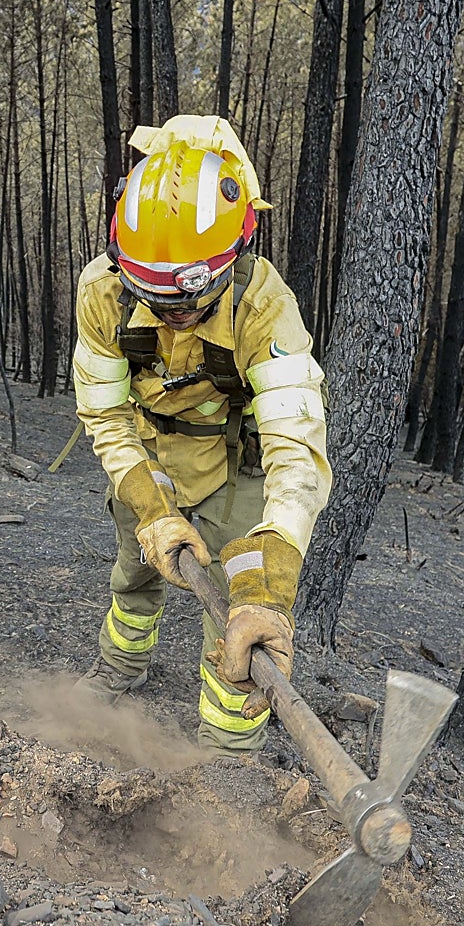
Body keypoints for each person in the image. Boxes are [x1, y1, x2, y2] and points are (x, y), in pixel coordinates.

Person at [71, 115, 333, 752]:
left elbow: (297, 452)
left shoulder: (265, 306)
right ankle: (121, 664)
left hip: (234, 463)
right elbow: (104, 414)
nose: (173, 314)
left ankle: (227, 756)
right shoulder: (101, 294)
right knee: (135, 569)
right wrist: (154, 511)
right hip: (148, 451)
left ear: (234, 254)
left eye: (190, 297)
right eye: (153, 296)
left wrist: (271, 585)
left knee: (243, 614)